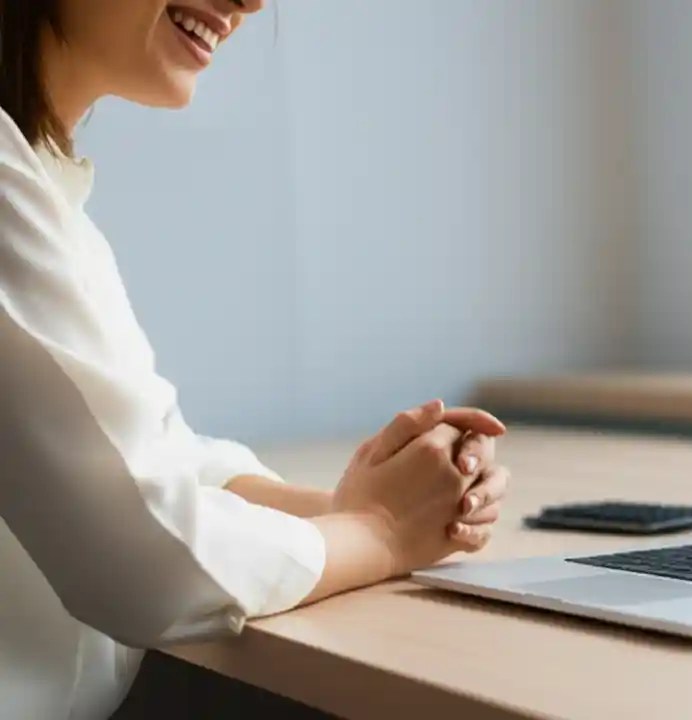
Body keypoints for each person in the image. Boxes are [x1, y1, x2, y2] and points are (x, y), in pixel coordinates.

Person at [0, 1, 511, 717]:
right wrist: (380, 532)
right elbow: (149, 563)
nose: (251, 3)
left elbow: (149, 462)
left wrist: (360, 505)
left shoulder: (44, 195)